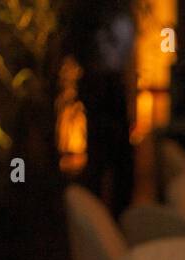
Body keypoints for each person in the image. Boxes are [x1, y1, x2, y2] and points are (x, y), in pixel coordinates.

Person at [67, 0, 136, 217]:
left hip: (109, 82)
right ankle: (100, 219)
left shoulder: (112, 10)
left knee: (117, 157)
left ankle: (113, 217)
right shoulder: (91, 12)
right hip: (98, 83)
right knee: (102, 155)